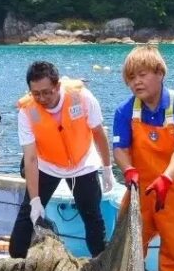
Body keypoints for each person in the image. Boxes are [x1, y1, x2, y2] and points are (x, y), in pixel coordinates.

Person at [112, 46, 174, 271]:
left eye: (142, 75)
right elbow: (120, 148)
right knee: (127, 244)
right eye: (131, 77)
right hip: (141, 188)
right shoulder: (124, 111)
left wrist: (166, 178)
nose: (136, 82)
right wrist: (128, 169)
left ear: (160, 73)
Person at [8, 62, 114, 259]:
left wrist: (107, 168)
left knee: (92, 217)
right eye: (36, 94)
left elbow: (99, 133)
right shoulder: (27, 111)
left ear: (57, 86)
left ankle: (100, 262)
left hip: (82, 163)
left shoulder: (82, 97)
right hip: (47, 164)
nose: (42, 99)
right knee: (27, 216)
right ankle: (16, 260)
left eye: (46, 92)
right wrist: (35, 200)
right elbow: (30, 157)